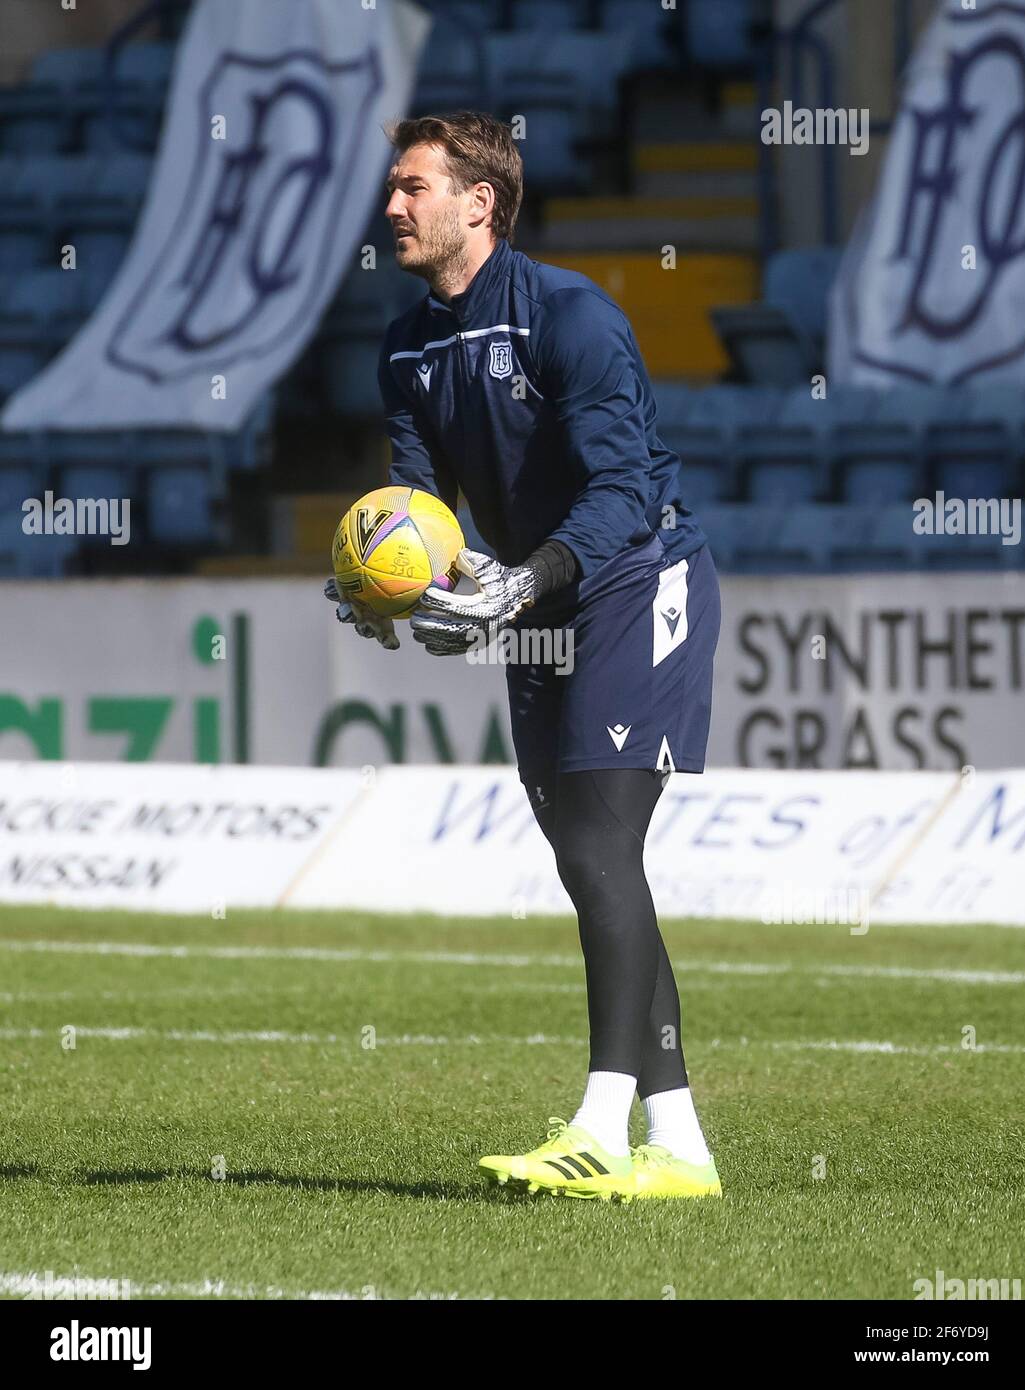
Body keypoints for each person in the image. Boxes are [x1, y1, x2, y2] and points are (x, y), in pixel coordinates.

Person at [326, 110, 722, 1202]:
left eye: (413, 187)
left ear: (478, 204)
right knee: (591, 860)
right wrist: (390, 589)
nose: (393, 204)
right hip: (537, 597)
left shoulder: (572, 316)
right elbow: (420, 511)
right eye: (393, 186)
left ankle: (598, 1125)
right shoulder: (404, 344)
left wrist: (519, 581)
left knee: (599, 844)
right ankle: (680, 1149)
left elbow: (625, 493)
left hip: (638, 580)